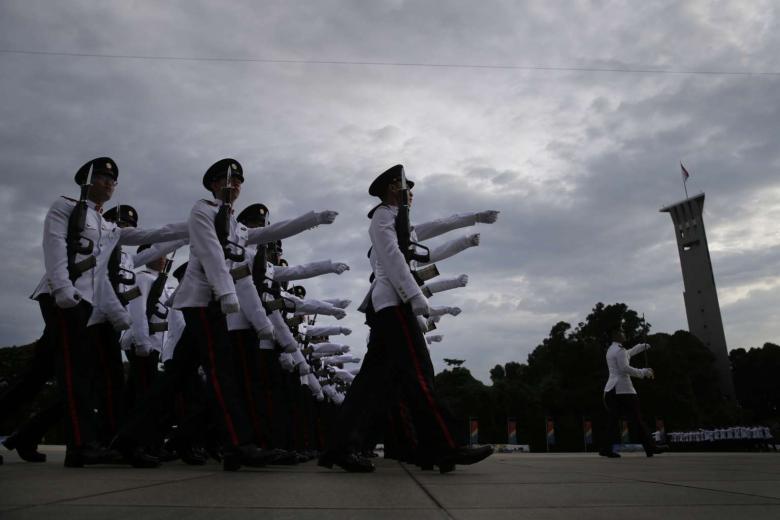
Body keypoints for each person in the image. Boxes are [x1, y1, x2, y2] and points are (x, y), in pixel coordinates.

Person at [319, 164, 493, 473]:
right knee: (419, 373)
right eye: (406, 188)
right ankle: (445, 446)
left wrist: (473, 219)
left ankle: (340, 446)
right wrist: (414, 296)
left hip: (391, 306)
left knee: (371, 383)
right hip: (392, 305)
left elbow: (441, 225)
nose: (411, 194)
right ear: (392, 189)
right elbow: (394, 259)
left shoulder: (402, 223)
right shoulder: (383, 218)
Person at [31, 157, 187, 467]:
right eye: (102, 176)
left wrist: (190, 231)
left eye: (112, 180)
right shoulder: (65, 207)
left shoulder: (108, 227)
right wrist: (63, 288)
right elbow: (53, 246)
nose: (108, 183)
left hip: (90, 304)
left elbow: (149, 238)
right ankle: (81, 444)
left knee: (63, 374)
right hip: (63, 296)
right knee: (75, 372)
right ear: (86, 180)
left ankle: (88, 441)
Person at [599, 327, 664, 458]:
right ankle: (651, 448)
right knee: (637, 419)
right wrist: (643, 372)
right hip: (624, 390)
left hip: (611, 390)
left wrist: (641, 347)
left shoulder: (612, 349)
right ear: (618, 336)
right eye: (622, 333)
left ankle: (606, 448)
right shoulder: (620, 350)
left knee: (613, 421)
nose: (624, 334)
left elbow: (626, 354)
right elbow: (624, 367)